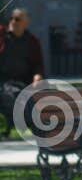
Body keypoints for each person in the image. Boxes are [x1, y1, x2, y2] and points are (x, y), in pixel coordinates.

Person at [0, 8, 46, 137]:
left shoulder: (32, 41)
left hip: (23, 82)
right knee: (15, 94)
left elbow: (38, 65)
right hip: (3, 82)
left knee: (22, 93)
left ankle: (36, 125)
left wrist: (37, 76)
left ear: (26, 23)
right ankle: (36, 125)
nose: (13, 21)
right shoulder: (2, 36)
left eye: (18, 19)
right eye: (12, 18)